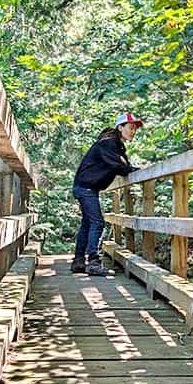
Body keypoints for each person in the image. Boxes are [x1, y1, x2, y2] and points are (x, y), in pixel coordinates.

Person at [71, 112, 143, 275]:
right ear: (120, 127)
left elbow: (123, 164)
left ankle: (79, 261)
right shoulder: (109, 144)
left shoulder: (115, 145)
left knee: (88, 224)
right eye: (130, 127)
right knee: (98, 223)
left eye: (134, 129)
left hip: (86, 187)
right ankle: (94, 263)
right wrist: (133, 170)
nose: (133, 132)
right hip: (86, 188)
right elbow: (119, 167)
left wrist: (128, 167)